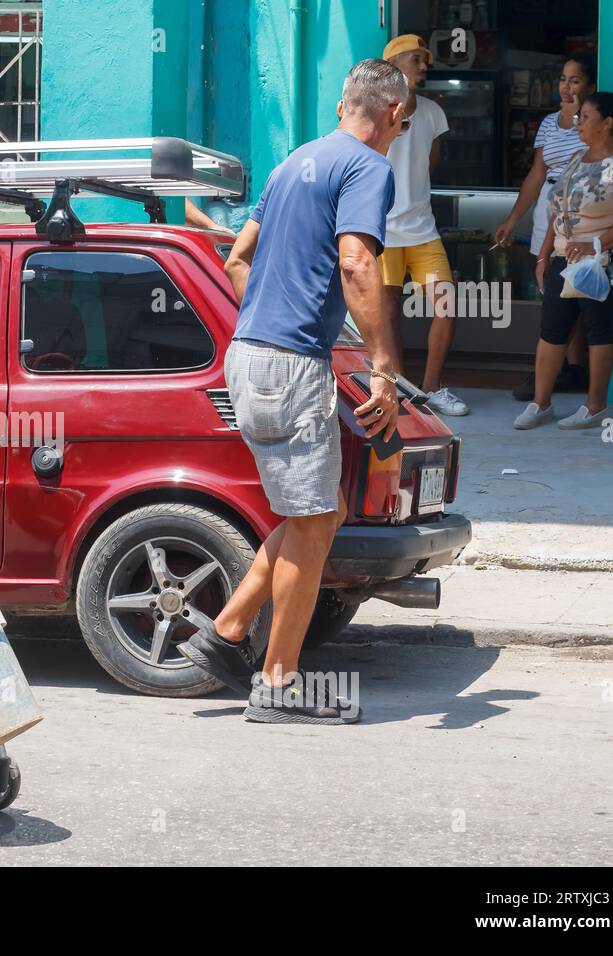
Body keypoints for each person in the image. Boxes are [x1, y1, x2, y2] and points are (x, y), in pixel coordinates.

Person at [177, 59, 404, 725]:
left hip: (247, 355)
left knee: (320, 512)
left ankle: (227, 630)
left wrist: (271, 323)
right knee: (312, 521)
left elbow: (235, 259)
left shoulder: (291, 164)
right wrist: (383, 363)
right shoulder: (367, 167)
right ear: (391, 115)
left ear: (342, 105)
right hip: (287, 362)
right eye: (404, 122)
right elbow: (357, 261)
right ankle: (278, 685)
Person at [515, 92, 613, 432]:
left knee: (597, 325)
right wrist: (545, 254)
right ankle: (540, 403)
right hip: (565, 252)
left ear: (607, 123)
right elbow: (557, 211)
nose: (578, 122)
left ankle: (594, 407)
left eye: (585, 117)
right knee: (552, 327)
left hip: (610, 254)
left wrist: (596, 245)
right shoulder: (576, 157)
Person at [496, 55, 597, 401]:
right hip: (547, 211)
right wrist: (512, 219)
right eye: (563, 81)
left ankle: (563, 368)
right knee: (550, 288)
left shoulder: (594, 123)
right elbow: (538, 174)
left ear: (590, 87)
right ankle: (567, 368)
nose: (566, 88)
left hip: (580, 211)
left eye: (575, 81)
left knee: (571, 288)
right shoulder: (549, 124)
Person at [379, 34, 467, 416]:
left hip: (423, 229)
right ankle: (397, 387)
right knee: (387, 313)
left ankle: (432, 388)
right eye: (417, 58)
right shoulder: (378, 110)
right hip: (381, 230)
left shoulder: (432, 112)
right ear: (396, 62)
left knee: (446, 307)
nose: (425, 65)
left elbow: (430, 164)